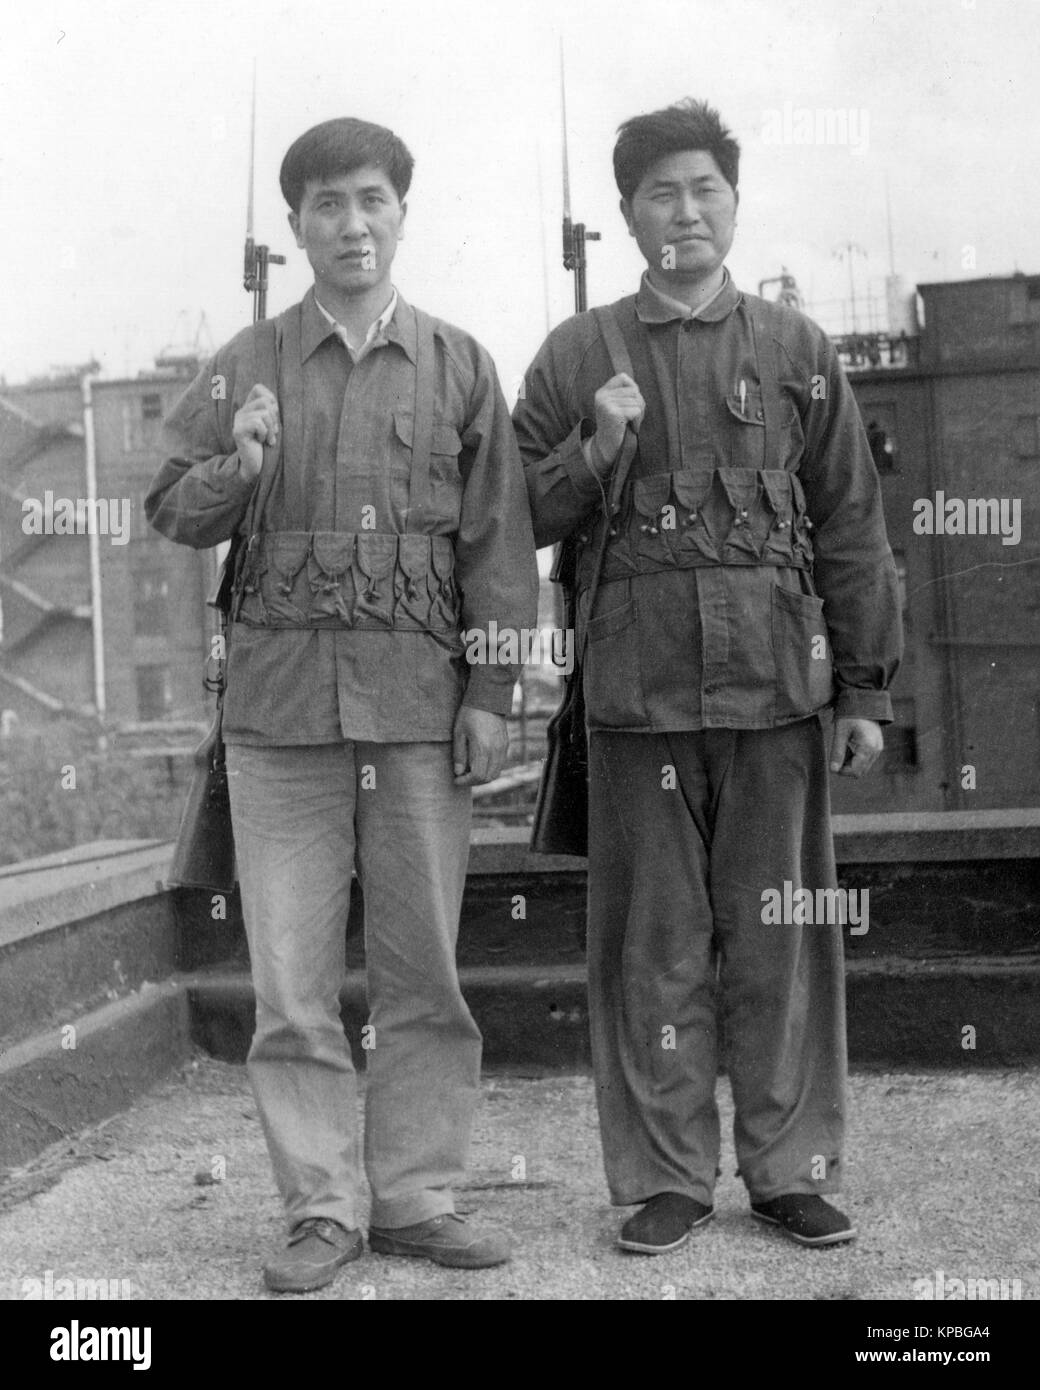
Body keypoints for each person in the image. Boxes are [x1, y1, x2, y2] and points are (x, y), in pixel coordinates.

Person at [147, 117, 538, 1291]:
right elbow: (170, 509)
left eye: (371, 199)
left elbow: (498, 547)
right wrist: (244, 467)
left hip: (420, 715)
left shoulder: (461, 363)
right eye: (326, 203)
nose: (351, 223)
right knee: (292, 986)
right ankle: (323, 1208)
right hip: (278, 722)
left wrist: (493, 691)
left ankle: (415, 1195)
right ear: (296, 223)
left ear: (401, 211)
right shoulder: (241, 365)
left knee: (424, 973)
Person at [514, 99, 902, 1255]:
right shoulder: (575, 354)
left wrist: (866, 692)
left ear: (731, 204)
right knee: (653, 948)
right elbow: (509, 519)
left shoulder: (795, 350)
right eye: (658, 194)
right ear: (627, 213)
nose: (683, 212)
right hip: (634, 705)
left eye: (704, 191)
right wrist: (591, 448)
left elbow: (850, 526)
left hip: (779, 692)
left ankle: (789, 1169)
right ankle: (664, 1176)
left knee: (780, 938)